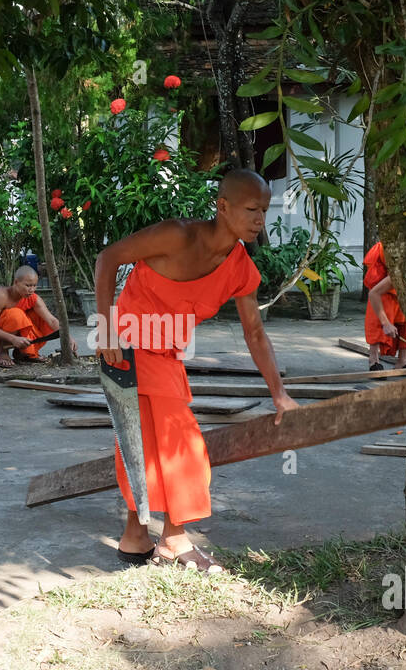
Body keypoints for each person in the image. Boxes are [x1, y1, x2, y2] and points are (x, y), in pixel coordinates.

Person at [94, 169, 299, 572]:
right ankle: (173, 539)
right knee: (175, 442)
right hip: (126, 349)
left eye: (265, 210)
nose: (260, 219)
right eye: (252, 209)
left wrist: (279, 392)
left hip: (166, 355)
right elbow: (108, 258)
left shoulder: (240, 268)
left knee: (145, 444)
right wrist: (103, 330)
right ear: (223, 207)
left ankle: (135, 538)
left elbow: (255, 332)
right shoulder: (177, 235)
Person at [0, 265, 76, 367]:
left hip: (12, 336)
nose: (32, 290)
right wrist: (13, 339)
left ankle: (23, 353)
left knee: (41, 318)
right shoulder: (1, 295)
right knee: (16, 314)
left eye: (34, 285)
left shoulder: (33, 298)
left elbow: (51, 320)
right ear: (16, 282)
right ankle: (3, 352)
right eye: (28, 285)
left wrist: (68, 338)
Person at [362, 240, 406, 370]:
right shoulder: (399, 273)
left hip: (405, 287)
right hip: (382, 279)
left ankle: (403, 360)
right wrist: (386, 323)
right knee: (379, 317)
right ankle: (373, 360)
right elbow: (373, 294)